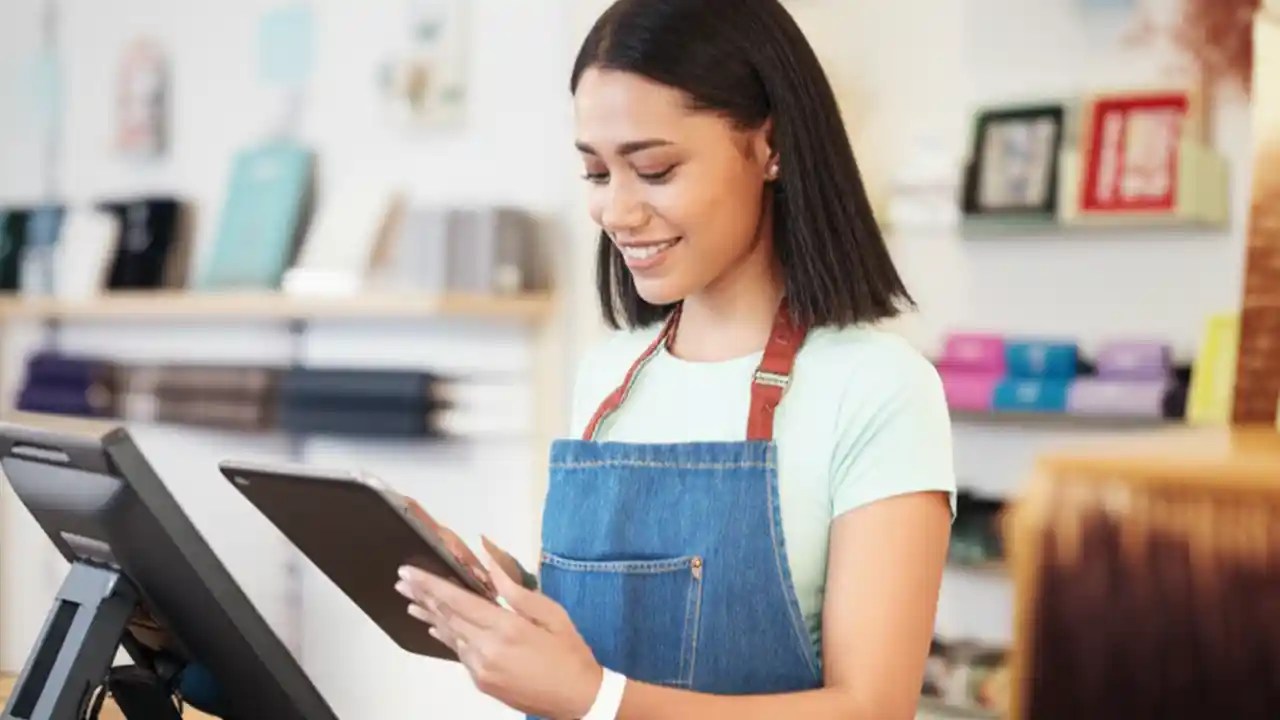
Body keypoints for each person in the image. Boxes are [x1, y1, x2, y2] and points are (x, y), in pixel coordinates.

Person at [393, 0, 956, 718]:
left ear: (771, 145)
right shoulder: (609, 377)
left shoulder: (878, 387)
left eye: (654, 170)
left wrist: (598, 701)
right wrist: (502, 598)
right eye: (597, 174)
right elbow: (625, 638)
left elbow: (871, 709)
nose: (617, 212)